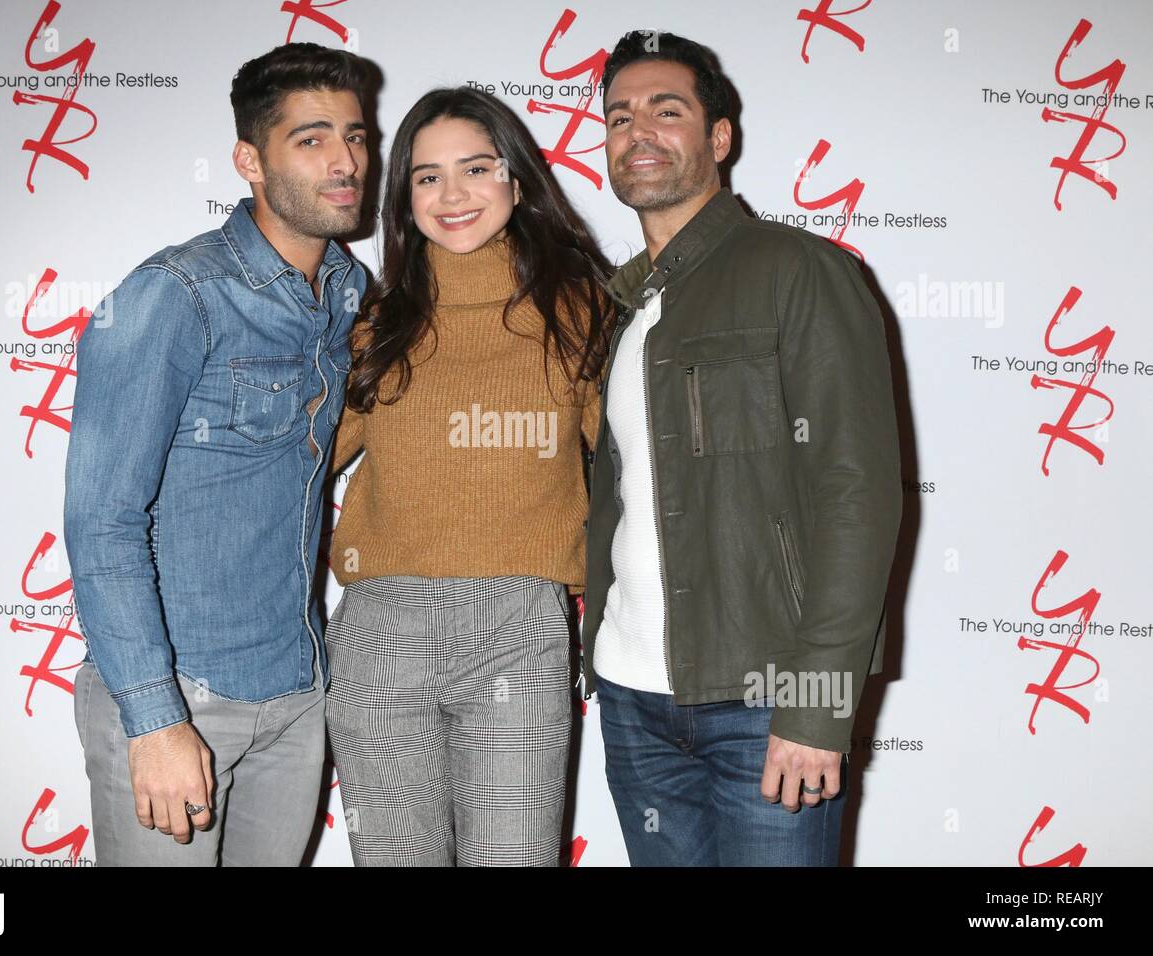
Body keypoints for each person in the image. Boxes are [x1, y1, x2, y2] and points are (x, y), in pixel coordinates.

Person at [583, 30, 903, 866]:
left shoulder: (800, 270)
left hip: (765, 703)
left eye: (666, 110)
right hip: (633, 698)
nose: (638, 132)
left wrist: (816, 707)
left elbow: (855, 493)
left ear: (718, 138)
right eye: (619, 118)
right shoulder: (622, 308)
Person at [63, 42, 373, 865]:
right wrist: (155, 716)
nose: (345, 161)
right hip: (182, 695)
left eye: (355, 135)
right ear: (249, 160)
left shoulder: (348, 291)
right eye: (310, 139)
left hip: (297, 693)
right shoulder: (177, 293)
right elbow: (103, 520)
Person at [323, 86, 615, 866]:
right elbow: (298, 464)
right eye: (427, 176)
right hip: (382, 630)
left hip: (521, 629)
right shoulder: (374, 327)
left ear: (516, 182)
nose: (452, 195)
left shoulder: (581, 314)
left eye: (476, 168)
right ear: (404, 198)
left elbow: (637, 477)